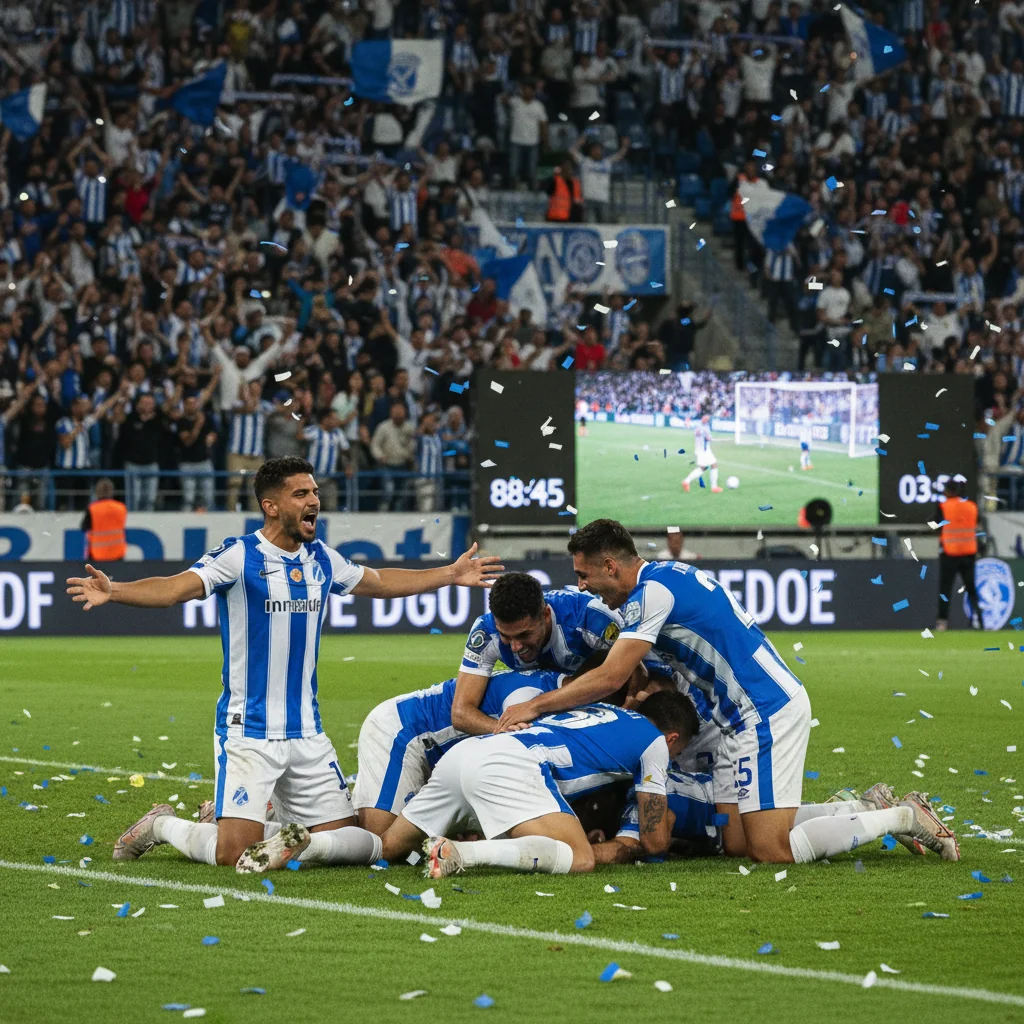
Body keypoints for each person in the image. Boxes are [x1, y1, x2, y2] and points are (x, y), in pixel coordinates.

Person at [66, 456, 503, 873]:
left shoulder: (321, 559)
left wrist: (450, 573)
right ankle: (161, 824)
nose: (314, 500)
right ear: (270, 506)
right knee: (231, 855)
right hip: (248, 730)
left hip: (307, 733)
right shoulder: (238, 556)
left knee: (355, 842)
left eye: (314, 491)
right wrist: (116, 590)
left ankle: (263, 822)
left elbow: (380, 581)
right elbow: (176, 588)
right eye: (300, 494)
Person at [496, 519, 960, 864]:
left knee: (771, 849)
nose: (583, 587)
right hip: (731, 720)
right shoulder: (661, 582)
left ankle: (902, 817)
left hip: (763, 707)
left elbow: (612, 676)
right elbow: (645, 673)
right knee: (737, 842)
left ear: (611, 565)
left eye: (583, 575)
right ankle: (863, 806)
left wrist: (535, 707)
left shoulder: (652, 594)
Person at [378, 692, 698, 876]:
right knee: (580, 857)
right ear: (671, 739)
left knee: (388, 846)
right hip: (512, 765)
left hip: (469, 752)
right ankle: (462, 853)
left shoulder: (602, 710)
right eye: (677, 753)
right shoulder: (655, 742)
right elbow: (655, 843)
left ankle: (326, 846)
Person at [352, 668, 566, 835]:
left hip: (436, 750)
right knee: (383, 841)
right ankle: (327, 832)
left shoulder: (551, 688)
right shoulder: (529, 694)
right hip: (401, 731)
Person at [451, 571, 625, 736]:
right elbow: (461, 713)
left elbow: (634, 674)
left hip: (596, 698)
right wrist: (506, 731)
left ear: (546, 615)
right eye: (506, 636)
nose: (515, 647)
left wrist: (534, 706)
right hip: (548, 701)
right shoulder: (486, 631)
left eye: (524, 635)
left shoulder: (590, 618)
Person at [936, 477, 981, 631]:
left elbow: (936, 525)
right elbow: (976, 523)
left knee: (945, 589)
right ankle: (979, 620)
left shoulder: (943, 506)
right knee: (971, 589)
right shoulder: (972, 506)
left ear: (948, 491)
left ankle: (942, 622)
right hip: (969, 553)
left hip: (950, 553)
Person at [81, 478, 128, 562]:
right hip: (118, 553)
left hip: (98, 554)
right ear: (112, 491)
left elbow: (84, 527)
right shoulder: (121, 507)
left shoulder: (92, 508)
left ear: (97, 492)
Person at [681, 413, 723, 493]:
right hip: (702, 450)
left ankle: (687, 482)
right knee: (708, 466)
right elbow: (688, 426)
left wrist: (709, 438)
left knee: (709, 466)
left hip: (706, 449)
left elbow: (709, 438)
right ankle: (687, 481)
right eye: (705, 418)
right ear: (702, 417)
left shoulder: (707, 427)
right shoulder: (697, 424)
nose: (706, 419)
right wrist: (687, 421)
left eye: (708, 419)